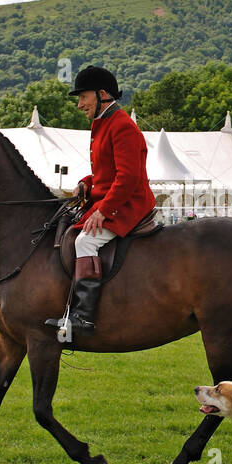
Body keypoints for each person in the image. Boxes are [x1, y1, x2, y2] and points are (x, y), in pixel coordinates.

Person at [46, 66, 155, 342]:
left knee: (85, 242)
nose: (80, 104)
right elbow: (107, 173)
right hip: (113, 197)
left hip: (130, 203)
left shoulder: (122, 126)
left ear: (102, 94)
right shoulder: (104, 123)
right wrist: (86, 183)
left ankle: (83, 315)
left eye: (83, 97)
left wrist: (103, 210)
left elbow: (128, 178)